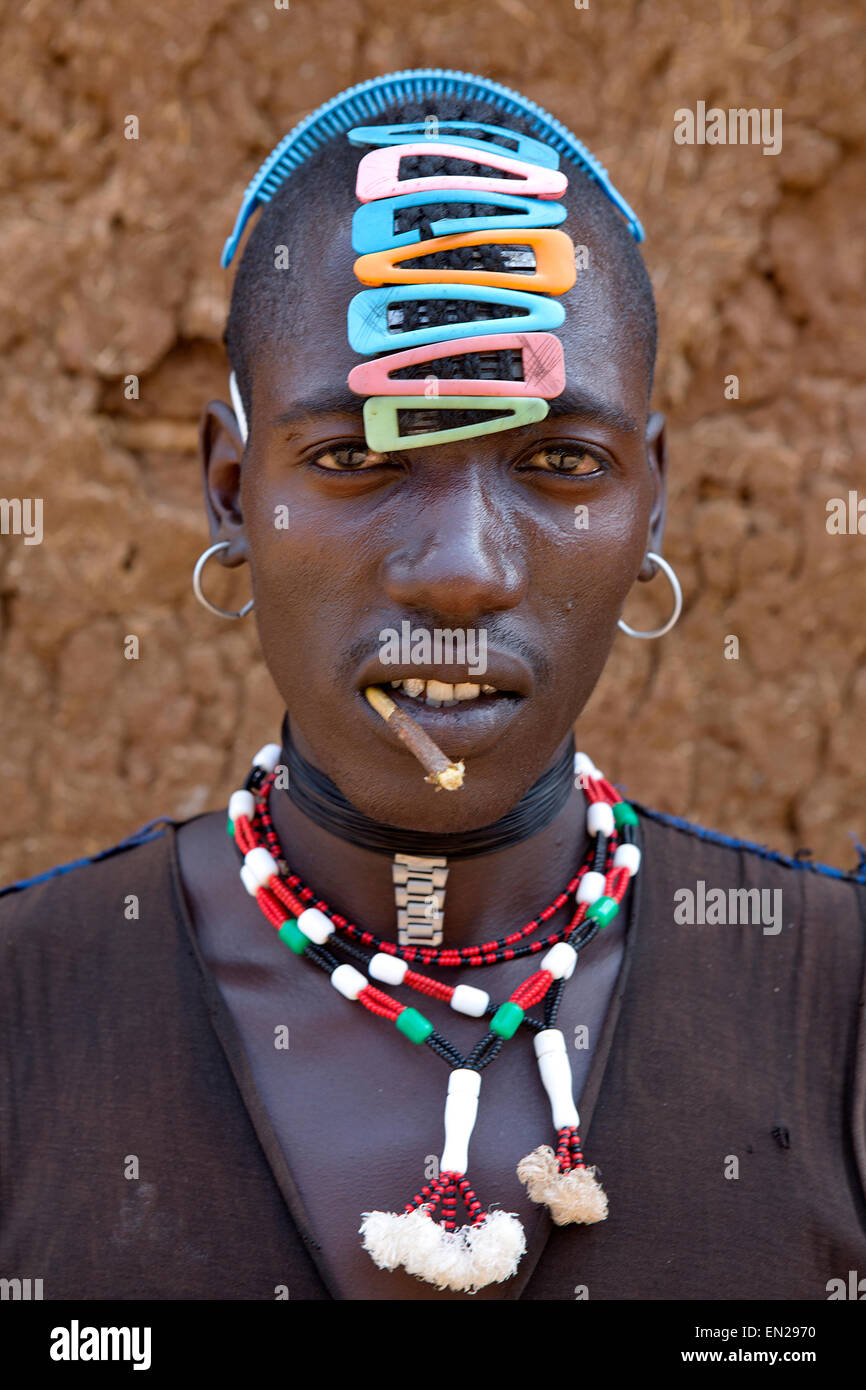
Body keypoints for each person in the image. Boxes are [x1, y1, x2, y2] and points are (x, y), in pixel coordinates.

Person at [1, 69, 864, 1302]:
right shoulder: (28, 1020)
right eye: (355, 454)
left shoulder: (835, 1015)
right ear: (232, 491)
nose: (459, 571)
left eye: (560, 460)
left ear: (651, 500)